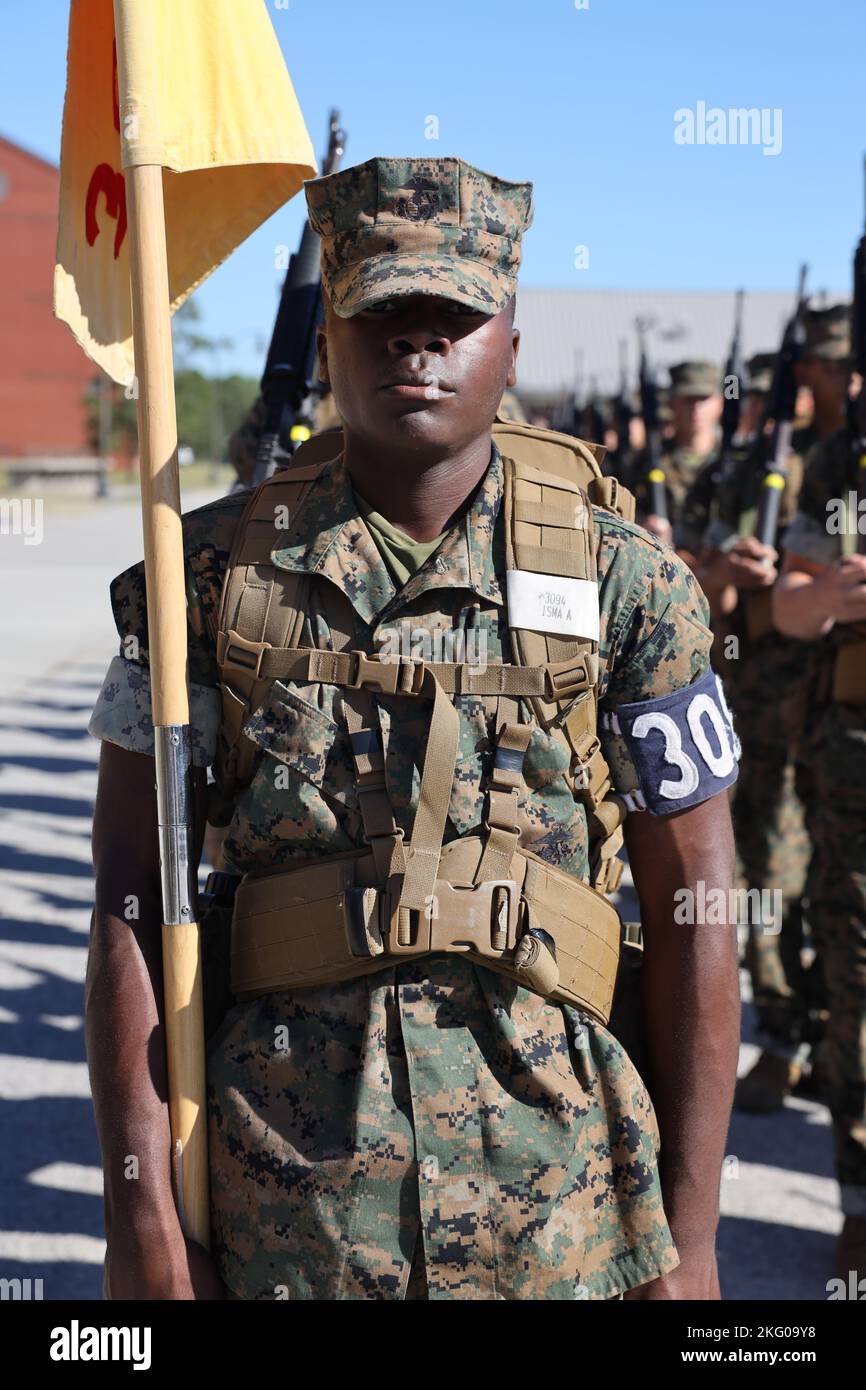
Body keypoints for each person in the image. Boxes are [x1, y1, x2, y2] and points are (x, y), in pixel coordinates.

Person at [85, 155, 740, 1301]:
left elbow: (697, 905)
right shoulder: (202, 581)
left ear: (510, 348)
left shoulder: (626, 584)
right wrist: (143, 1213)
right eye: (381, 313)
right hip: (287, 1209)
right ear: (330, 336)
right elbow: (133, 898)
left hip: (564, 1209)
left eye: (453, 316)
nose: (416, 344)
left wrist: (691, 1241)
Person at [687, 351, 826, 1111]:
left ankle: (832, 1034)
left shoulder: (844, 464)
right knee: (768, 864)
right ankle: (780, 1032)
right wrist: (729, 576)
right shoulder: (747, 471)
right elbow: (704, 570)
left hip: (838, 702)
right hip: (767, 692)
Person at [774, 404, 866, 1279]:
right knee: (859, 981)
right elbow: (790, 607)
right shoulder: (848, 455)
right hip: (856, 762)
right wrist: (832, 597)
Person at [634, 360, 722, 556]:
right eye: (688, 399)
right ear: (672, 402)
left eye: (704, 398)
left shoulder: (733, 462)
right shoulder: (647, 462)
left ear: (720, 402)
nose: (696, 407)